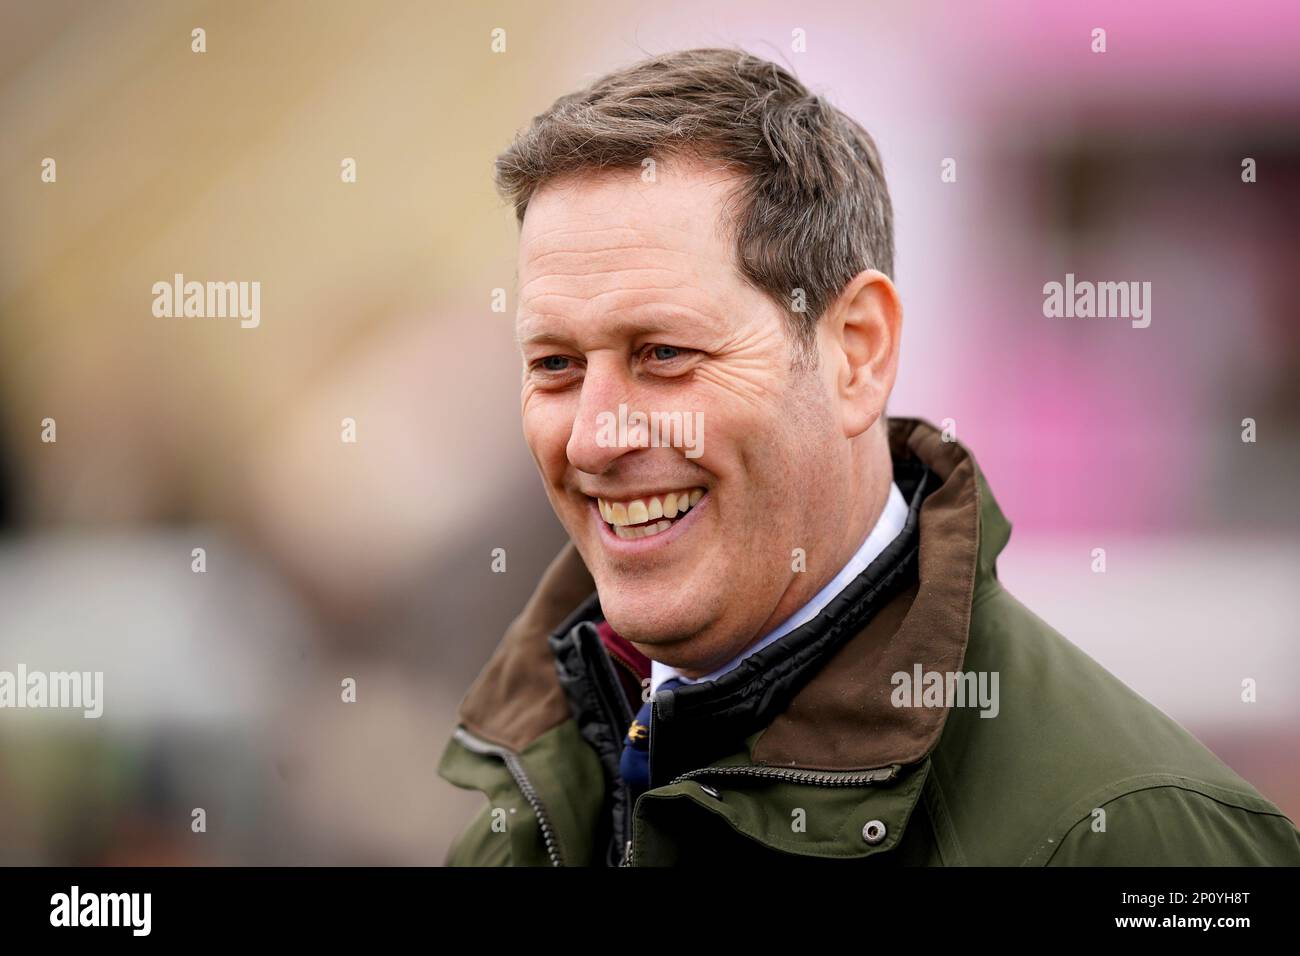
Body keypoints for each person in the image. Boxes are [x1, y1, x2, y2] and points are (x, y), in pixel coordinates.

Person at [436, 47, 1300, 866]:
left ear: (856, 350)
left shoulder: (1136, 837)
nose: (593, 435)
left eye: (664, 355)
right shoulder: (528, 797)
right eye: (555, 366)